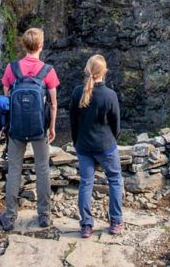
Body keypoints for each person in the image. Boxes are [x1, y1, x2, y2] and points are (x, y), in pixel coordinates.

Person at [0, 27, 59, 231]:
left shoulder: (12, 68)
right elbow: (53, 103)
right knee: (42, 169)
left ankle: (10, 216)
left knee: (14, 169)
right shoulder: (48, 71)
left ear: (23, 45)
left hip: (16, 128)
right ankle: (44, 215)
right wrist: (52, 127)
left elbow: (7, 99)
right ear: (41, 45)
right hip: (39, 128)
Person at [69, 54, 123, 238]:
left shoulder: (77, 92)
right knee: (115, 180)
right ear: (104, 71)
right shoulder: (109, 95)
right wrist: (113, 139)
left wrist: (77, 142)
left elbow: (73, 121)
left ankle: (86, 225)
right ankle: (115, 221)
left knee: (86, 183)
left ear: (87, 70)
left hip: (84, 146)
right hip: (105, 145)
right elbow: (116, 124)